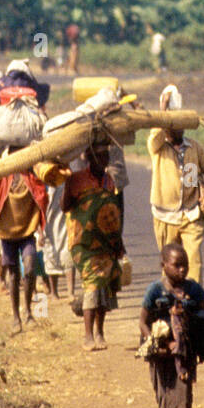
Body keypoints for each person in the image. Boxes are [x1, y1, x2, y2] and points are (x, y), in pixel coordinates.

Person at [140, 242, 204, 408]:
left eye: (185, 265)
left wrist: (192, 331)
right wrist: (157, 341)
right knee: (163, 389)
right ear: (164, 265)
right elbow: (142, 322)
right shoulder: (155, 290)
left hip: (184, 349)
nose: (182, 270)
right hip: (160, 350)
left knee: (184, 391)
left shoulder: (194, 289)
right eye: (177, 265)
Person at [147, 88, 204, 284]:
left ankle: (193, 304)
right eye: (174, 124)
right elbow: (154, 136)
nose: (179, 129)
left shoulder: (193, 148)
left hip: (191, 213)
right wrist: (162, 109)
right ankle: (170, 305)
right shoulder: (158, 147)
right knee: (169, 265)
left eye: (181, 125)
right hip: (165, 215)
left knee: (193, 261)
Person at [0, 147, 58, 331]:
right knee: (13, 275)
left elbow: (41, 199)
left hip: (27, 233)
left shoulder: (31, 179)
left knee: (31, 267)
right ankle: (16, 317)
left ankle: (28, 311)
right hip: (8, 234)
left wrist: (40, 231)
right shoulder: (1, 179)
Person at [61, 134, 123, 351]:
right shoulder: (76, 179)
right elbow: (65, 207)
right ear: (89, 158)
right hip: (83, 243)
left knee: (103, 286)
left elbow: (113, 213)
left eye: (105, 155)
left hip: (105, 241)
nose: (103, 160)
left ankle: (99, 332)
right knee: (92, 283)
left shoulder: (109, 181)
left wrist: (118, 242)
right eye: (98, 156)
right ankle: (88, 335)